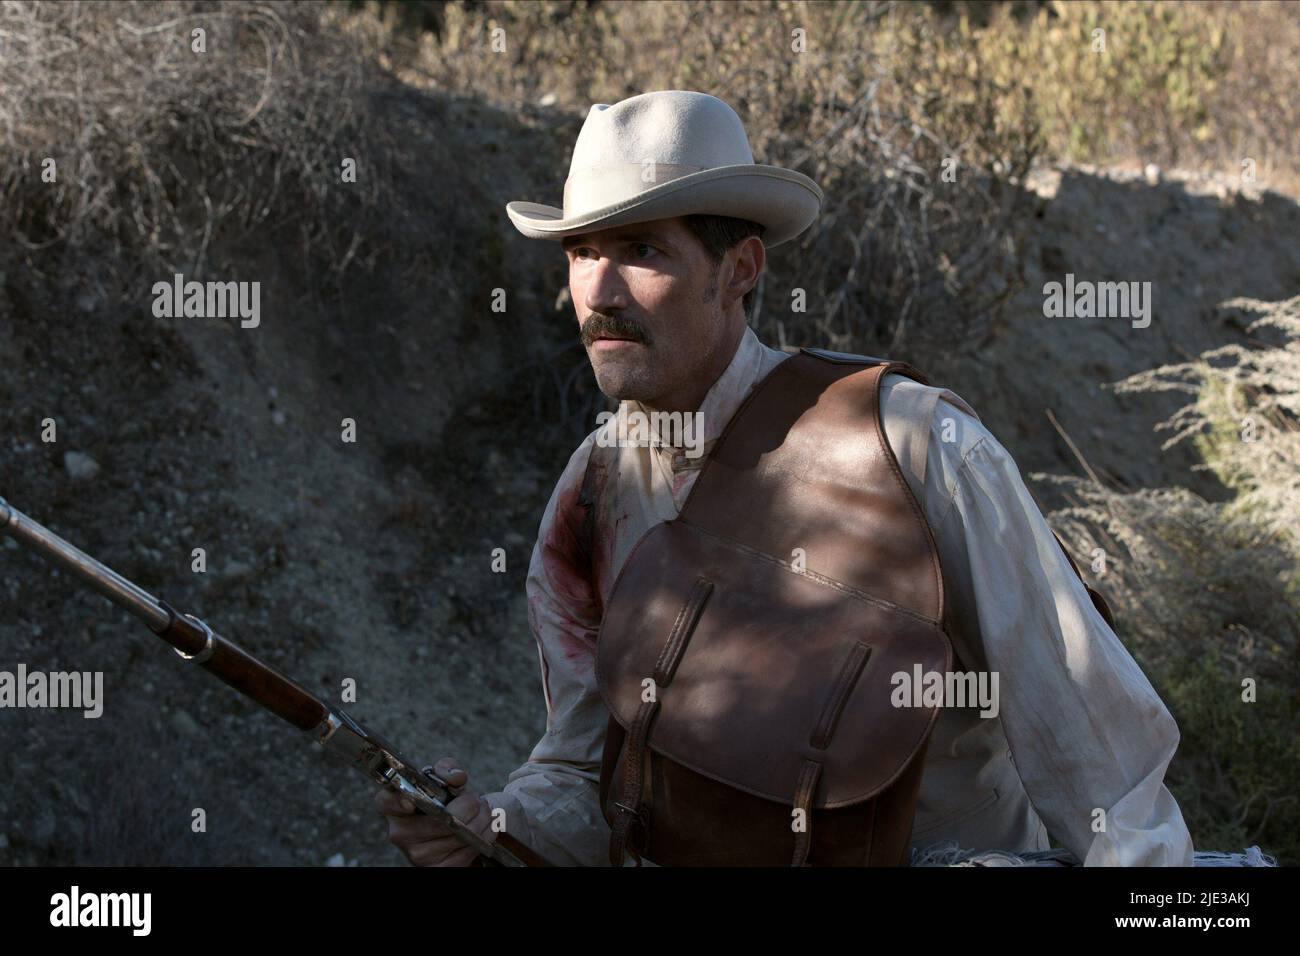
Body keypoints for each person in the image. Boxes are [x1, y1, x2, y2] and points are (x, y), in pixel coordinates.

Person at [376, 90, 1194, 867]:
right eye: (582, 252)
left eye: (642, 251)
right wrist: (493, 829)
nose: (599, 289)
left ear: (739, 270)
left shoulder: (918, 448)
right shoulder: (592, 492)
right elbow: (590, 771)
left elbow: (1111, 782)